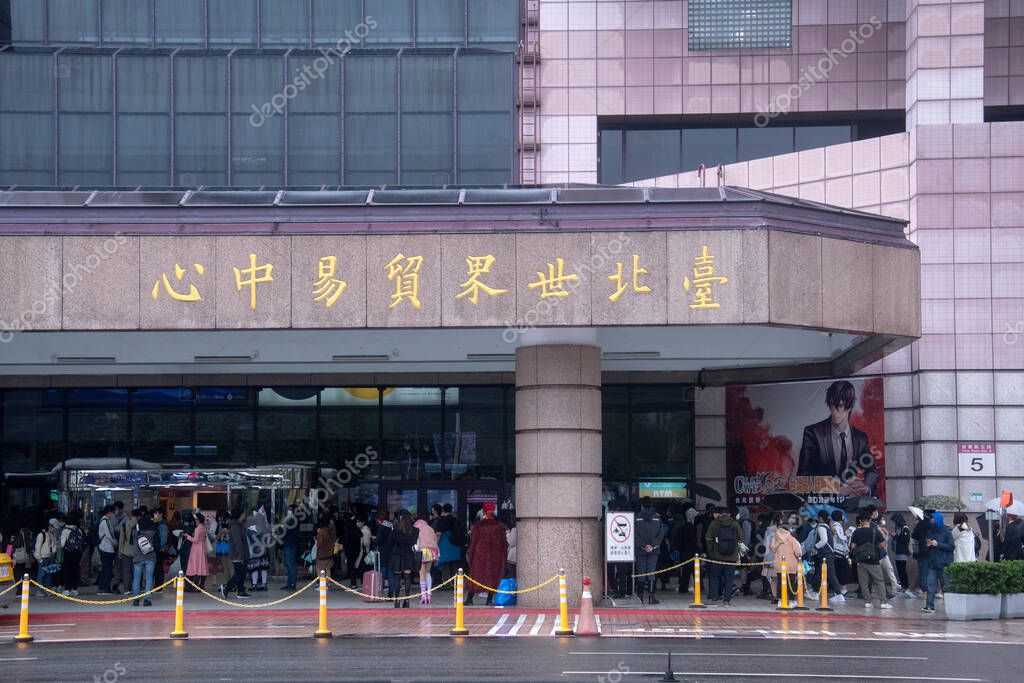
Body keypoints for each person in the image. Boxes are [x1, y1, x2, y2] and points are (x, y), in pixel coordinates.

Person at [796, 380, 878, 496]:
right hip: (822, 504)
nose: (834, 412)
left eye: (840, 406)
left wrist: (866, 486)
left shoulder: (861, 438)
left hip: (852, 503)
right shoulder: (813, 433)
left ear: (850, 407)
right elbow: (802, 479)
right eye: (831, 405)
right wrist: (834, 487)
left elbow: (872, 472)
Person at [465, 502, 507, 606]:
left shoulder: (478, 526)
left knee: (475, 576)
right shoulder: (499, 527)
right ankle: (489, 600)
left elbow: (473, 542)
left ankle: (470, 599)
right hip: (495, 556)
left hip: (479, 556)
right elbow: (504, 543)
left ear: (483, 511)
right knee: (493, 576)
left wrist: (471, 554)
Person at [849, 512, 891, 610]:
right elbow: (882, 544)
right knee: (879, 580)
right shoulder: (875, 531)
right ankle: (883, 602)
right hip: (873, 559)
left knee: (863, 582)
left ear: (860, 521)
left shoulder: (856, 532)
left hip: (861, 560)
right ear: (870, 520)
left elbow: (852, 546)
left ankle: (867, 602)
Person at [705, 506, 743, 605]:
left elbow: (708, 539)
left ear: (720, 514)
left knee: (714, 577)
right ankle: (727, 600)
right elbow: (741, 539)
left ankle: (714, 597)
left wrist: (712, 553)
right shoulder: (735, 524)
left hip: (717, 557)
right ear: (729, 514)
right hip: (731, 557)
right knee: (729, 579)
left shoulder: (714, 523)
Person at [634, 497, 666, 604]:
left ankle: (640, 597)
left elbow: (634, 534)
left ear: (642, 505)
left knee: (641, 573)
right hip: (654, 551)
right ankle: (651, 597)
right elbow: (661, 534)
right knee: (652, 572)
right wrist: (653, 546)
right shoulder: (657, 518)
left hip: (640, 550)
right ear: (652, 505)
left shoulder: (636, 518)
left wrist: (643, 546)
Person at [920, 511, 954, 613]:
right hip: (932, 563)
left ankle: (950, 606)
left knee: (946, 586)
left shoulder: (947, 532)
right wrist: (928, 545)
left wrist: (938, 544)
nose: (931, 521)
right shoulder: (931, 531)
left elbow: (951, 546)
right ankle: (929, 606)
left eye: (933, 519)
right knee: (930, 585)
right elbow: (926, 547)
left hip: (944, 564)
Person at [810, 510, 844, 603]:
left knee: (830, 575)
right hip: (827, 554)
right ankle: (815, 592)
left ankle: (839, 594)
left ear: (820, 518)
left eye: (818, 517)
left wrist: (815, 547)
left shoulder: (821, 527)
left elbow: (824, 540)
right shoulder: (827, 527)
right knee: (821, 574)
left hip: (826, 554)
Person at [768, 519, 802, 605]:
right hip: (791, 565)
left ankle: (780, 600)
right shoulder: (792, 539)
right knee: (791, 583)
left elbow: (772, 548)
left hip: (779, 564)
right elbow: (798, 553)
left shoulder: (775, 538)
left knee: (780, 583)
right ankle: (791, 601)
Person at [220, 509, 251, 600]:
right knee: (239, 574)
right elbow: (238, 543)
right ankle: (227, 587)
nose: (245, 516)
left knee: (242, 573)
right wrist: (241, 556)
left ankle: (241, 591)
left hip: (241, 554)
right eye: (244, 514)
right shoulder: (235, 527)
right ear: (239, 515)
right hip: (238, 555)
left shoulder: (239, 526)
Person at [391, 510, 420, 608]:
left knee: (397, 578)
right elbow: (414, 542)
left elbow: (391, 540)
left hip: (397, 555)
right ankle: (407, 600)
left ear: (401, 518)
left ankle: (396, 600)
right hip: (408, 555)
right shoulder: (415, 530)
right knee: (407, 578)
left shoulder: (396, 529)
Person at [130, 511, 158, 606]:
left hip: (137, 557)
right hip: (150, 556)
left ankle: (136, 599)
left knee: (136, 578)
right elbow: (158, 544)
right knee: (149, 578)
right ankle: (147, 600)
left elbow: (131, 542)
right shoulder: (154, 528)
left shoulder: (135, 528)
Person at [670, 507, 699, 595]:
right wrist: (698, 550)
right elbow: (693, 541)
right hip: (690, 552)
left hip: (684, 552)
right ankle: (688, 588)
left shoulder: (683, 526)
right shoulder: (691, 527)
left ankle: (684, 587)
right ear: (692, 517)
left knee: (686, 571)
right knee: (691, 571)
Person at [58, 514, 85, 597]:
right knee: (76, 570)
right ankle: (75, 589)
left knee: (67, 570)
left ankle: (67, 589)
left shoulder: (65, 530)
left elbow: (62, 544)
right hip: (77, 553)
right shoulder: (79, 530)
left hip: (68, 553)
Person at [414, 518, 439, 604]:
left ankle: (423, 595)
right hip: (432, 551)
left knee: (422, 573)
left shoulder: (416, 528)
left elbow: (416, 542)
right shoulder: (430, 529)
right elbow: (435, 541)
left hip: (422, 552)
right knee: (428, 573)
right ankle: (429, 594)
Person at [184, 512, 210, 590]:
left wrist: (187, 536)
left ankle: (192, 586)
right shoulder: (203, 527)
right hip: (202, 547)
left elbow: (195, 540)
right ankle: (201, 585)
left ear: (198, 520)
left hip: (196, 549)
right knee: (202, 565)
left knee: (194, 565)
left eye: (195, 520)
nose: (195, 521)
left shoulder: (197, 528)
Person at [890, 513, 914, 598]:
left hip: (903, 552)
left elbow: (905, 540)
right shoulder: (897, 528)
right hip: (897, 551)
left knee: (902, 569)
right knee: (899, 569)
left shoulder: (905, 528)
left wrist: (895, 536)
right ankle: (903, 586)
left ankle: (905, 586)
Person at [33, 519, 59, 595]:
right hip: (42, 557)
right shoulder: (41, 535)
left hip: (50, 557)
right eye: (53, 527)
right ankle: (39, 591)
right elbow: (37, 547)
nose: (54, 529)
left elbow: (54, 545)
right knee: (41, 574)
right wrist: (39, 558)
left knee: (48, 575)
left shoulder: (52, 534)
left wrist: (54, 552)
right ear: (49, 526)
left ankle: (47, 590)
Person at [96, 506, 117, 595]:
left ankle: (101, 588)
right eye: (112, 512)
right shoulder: (105, 521)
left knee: (104, 569)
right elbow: (110, 535)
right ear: (109, 512)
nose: (113, 514)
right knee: (108, 569)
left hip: (103, 547)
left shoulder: (102, 521)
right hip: (107, 548)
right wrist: (116, 543)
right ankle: (105, 588)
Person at [117, 509, 138, 595]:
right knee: (136, 571)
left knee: (126, 571)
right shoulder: (138, 525)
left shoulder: (124, 525)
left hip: (126, 551)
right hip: (136, 551)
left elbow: (121, 539)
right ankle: (135, 588)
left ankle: (126, 589)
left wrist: (120, 551)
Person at [280, 506, 299, 591]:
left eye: (291, 510)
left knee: (291, 565)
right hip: (287, 544)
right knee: (288, 565)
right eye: (289, 510)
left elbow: (285, 530)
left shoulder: (293, 520)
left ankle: (292, 584)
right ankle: (289, 583)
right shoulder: (289, 519)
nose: (289, 511)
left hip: (290, 545)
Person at [314, 515, 336, 583]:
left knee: (320, 569)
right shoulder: (331, 530)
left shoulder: (321, 531)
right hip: (329, 553)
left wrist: (317, 535)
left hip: (322, 554)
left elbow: (319, 544)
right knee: (328, 569)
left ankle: (322, 584)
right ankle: (327, 583)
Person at [152, 509, 169, 591]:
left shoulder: (162, 525)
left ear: (161, 514)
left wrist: (158, 547)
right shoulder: (158, 524)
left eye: (156, 513)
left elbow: (163, 539)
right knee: (157, 568)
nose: (155, 515)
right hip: (158, 549)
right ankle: (157, 585)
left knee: (159, 568)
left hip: (159, 550)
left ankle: (158, 586)